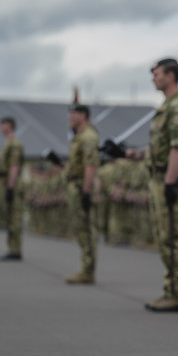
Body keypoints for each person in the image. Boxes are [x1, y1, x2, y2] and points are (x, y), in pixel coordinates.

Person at [141, 58, 178, 311]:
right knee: (165, 237)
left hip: (172, 178)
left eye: (157, 74)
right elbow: (160, 149)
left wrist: (170, 182)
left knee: (175, 237)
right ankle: (171, 289)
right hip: (161, 176)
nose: (154, 78)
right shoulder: (167, 107)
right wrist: (123, 153)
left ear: (170, 76)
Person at [64, 105, 100, 284]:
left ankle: (88, 270)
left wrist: (86, 191)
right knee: (80, 228)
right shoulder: (78, 137)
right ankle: (85, 267)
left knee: (86, 228)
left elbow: (90, 165)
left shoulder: (88, 136)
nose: (70, 116)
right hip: (75, 185)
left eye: (74, 113)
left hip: (81, 187)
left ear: (83, 115)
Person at [0, 117, 25, 261]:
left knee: (14, 217)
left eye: (3, 125)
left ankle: (16, 249)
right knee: (9, 217)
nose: (1, 127)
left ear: (10, 126)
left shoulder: (14, 144)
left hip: (11, 184)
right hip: (5, 182)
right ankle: (12, 247)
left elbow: (14, 166)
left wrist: (10, 187)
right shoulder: (8, 143)